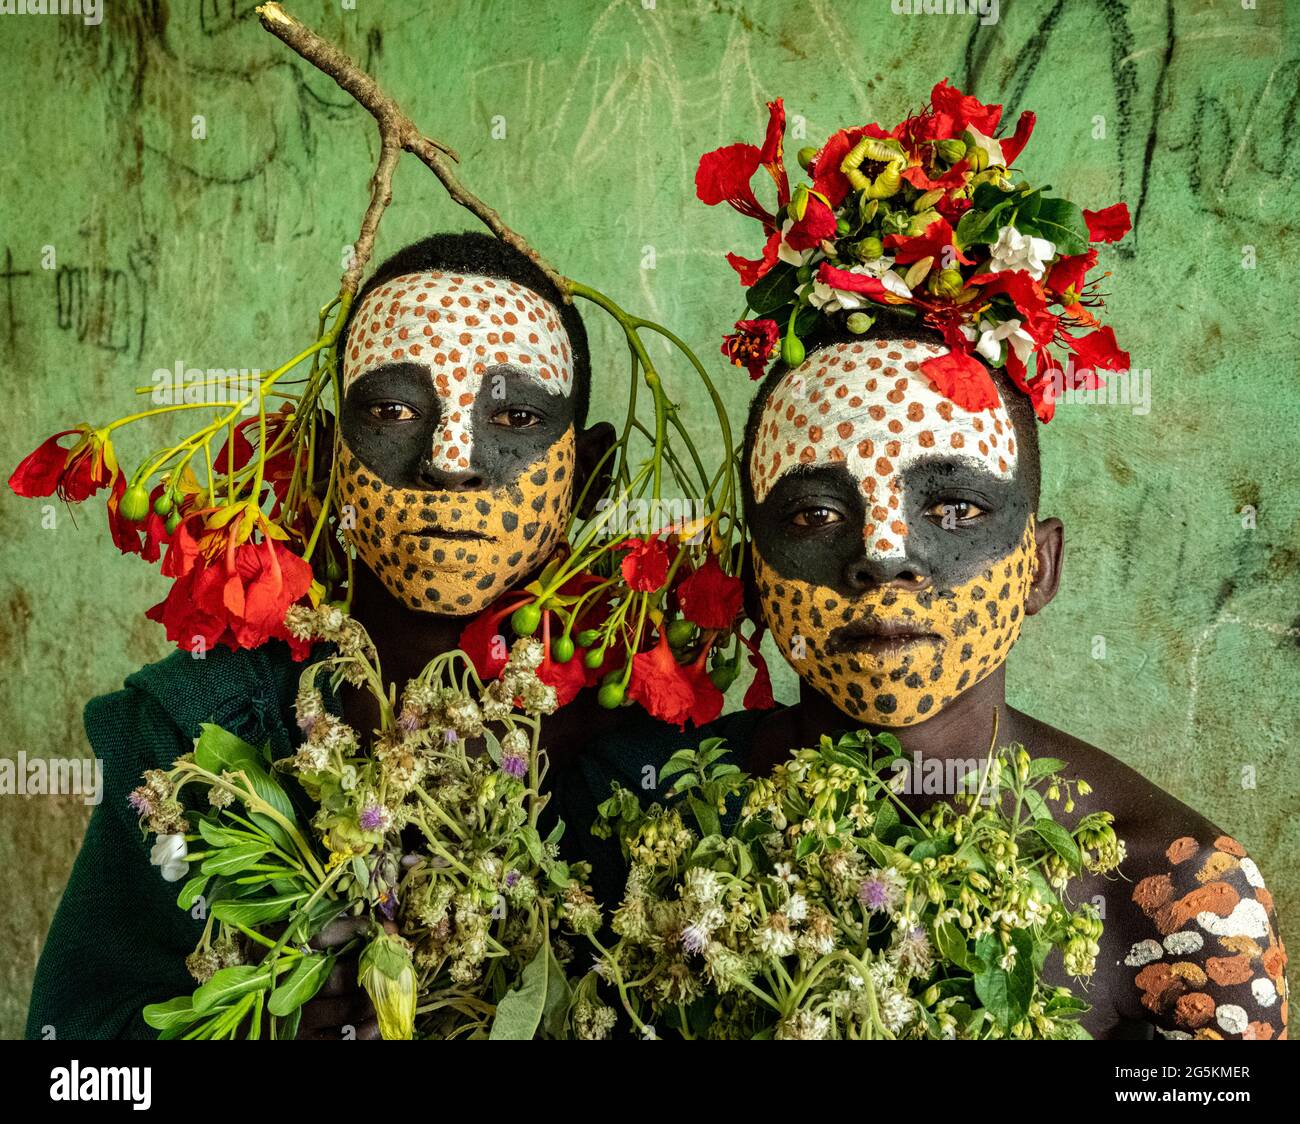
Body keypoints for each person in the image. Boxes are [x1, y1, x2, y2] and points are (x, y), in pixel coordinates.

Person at [554, 318, 1288, 1040]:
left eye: (956, 508)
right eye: (816, 514)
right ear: (752, 576)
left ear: (1040, 565)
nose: (885, 556)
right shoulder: (635, 810)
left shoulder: (1173, 889)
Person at [25, 231, 617, 1040]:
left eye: (513, 416)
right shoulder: (200, 730)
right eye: (393, 411)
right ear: (324, 453)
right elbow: (70, 1068)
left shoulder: (628, 758)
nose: (450, 461)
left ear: (588, 476)